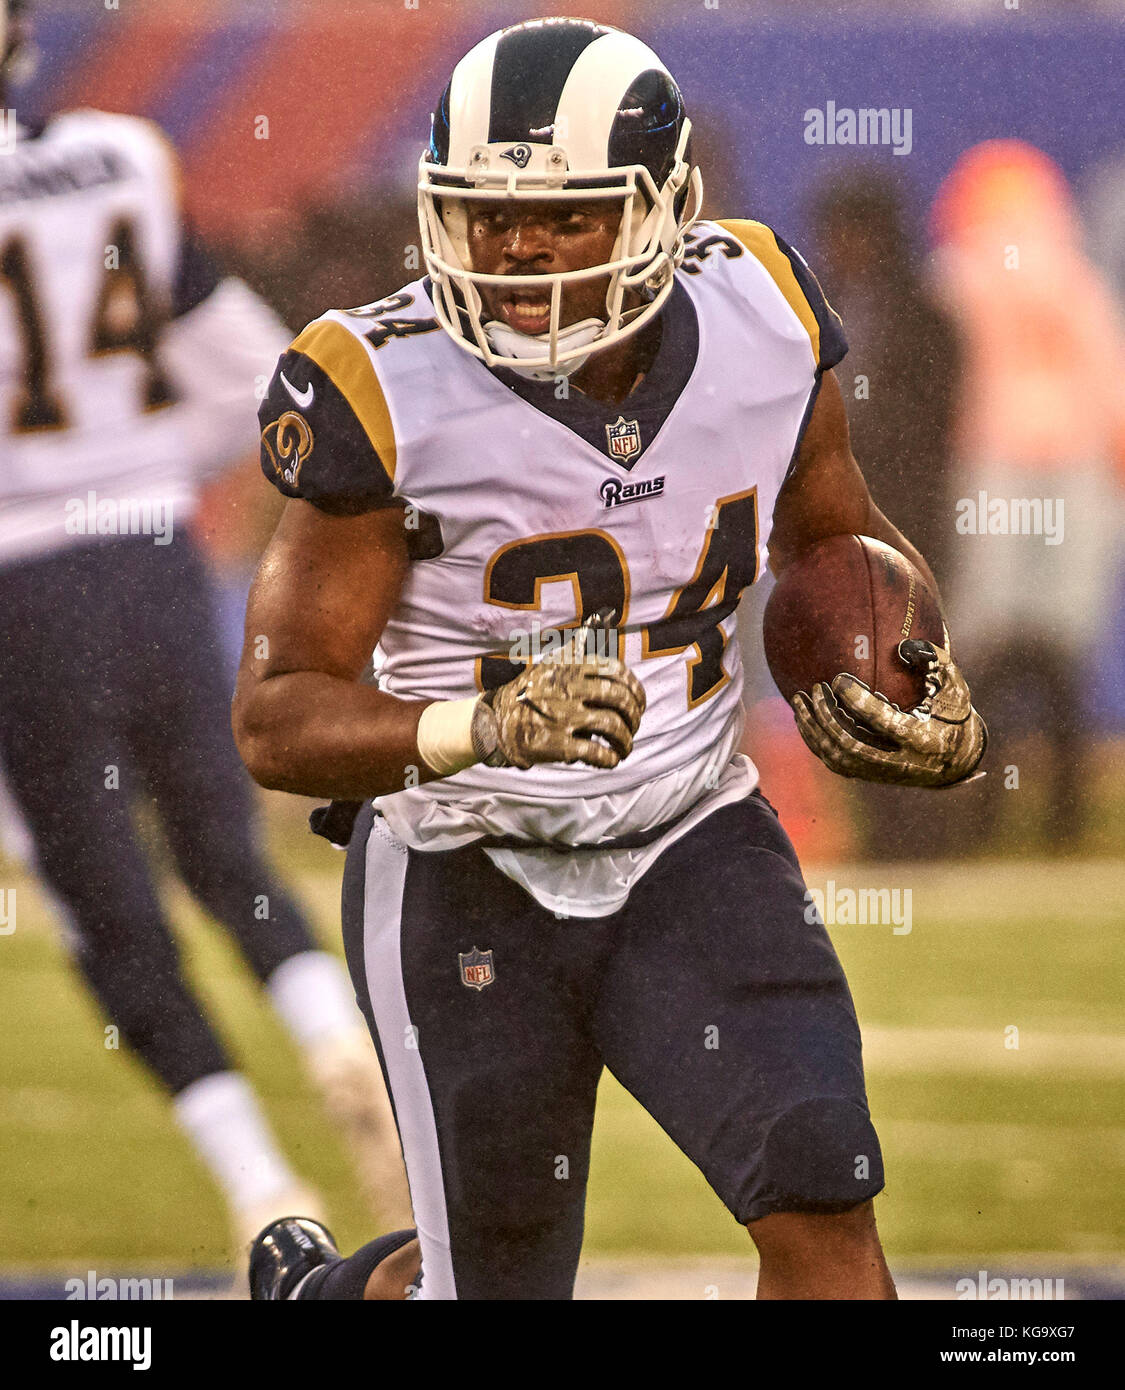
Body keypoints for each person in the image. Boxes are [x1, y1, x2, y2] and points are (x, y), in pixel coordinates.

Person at [238, 17, 985, 1301]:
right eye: (484, 215)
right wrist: (477, 723)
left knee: (823, 1206)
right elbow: (274, 714)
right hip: (465, 863)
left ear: (665, 209)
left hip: (693, 836)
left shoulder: (766, 314)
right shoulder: (383, 385)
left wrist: (920, 670)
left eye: (565, 215)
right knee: (499, 1280)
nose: (516, 249)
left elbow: (835, 539)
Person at [0, 0, 409, 1259]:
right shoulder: (121, 157)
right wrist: (134, 466)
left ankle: (260, 1193)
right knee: (226, 859)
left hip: (22, 582)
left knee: (104, 905)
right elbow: (259, 371)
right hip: (153, 561)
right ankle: (339, 1038)